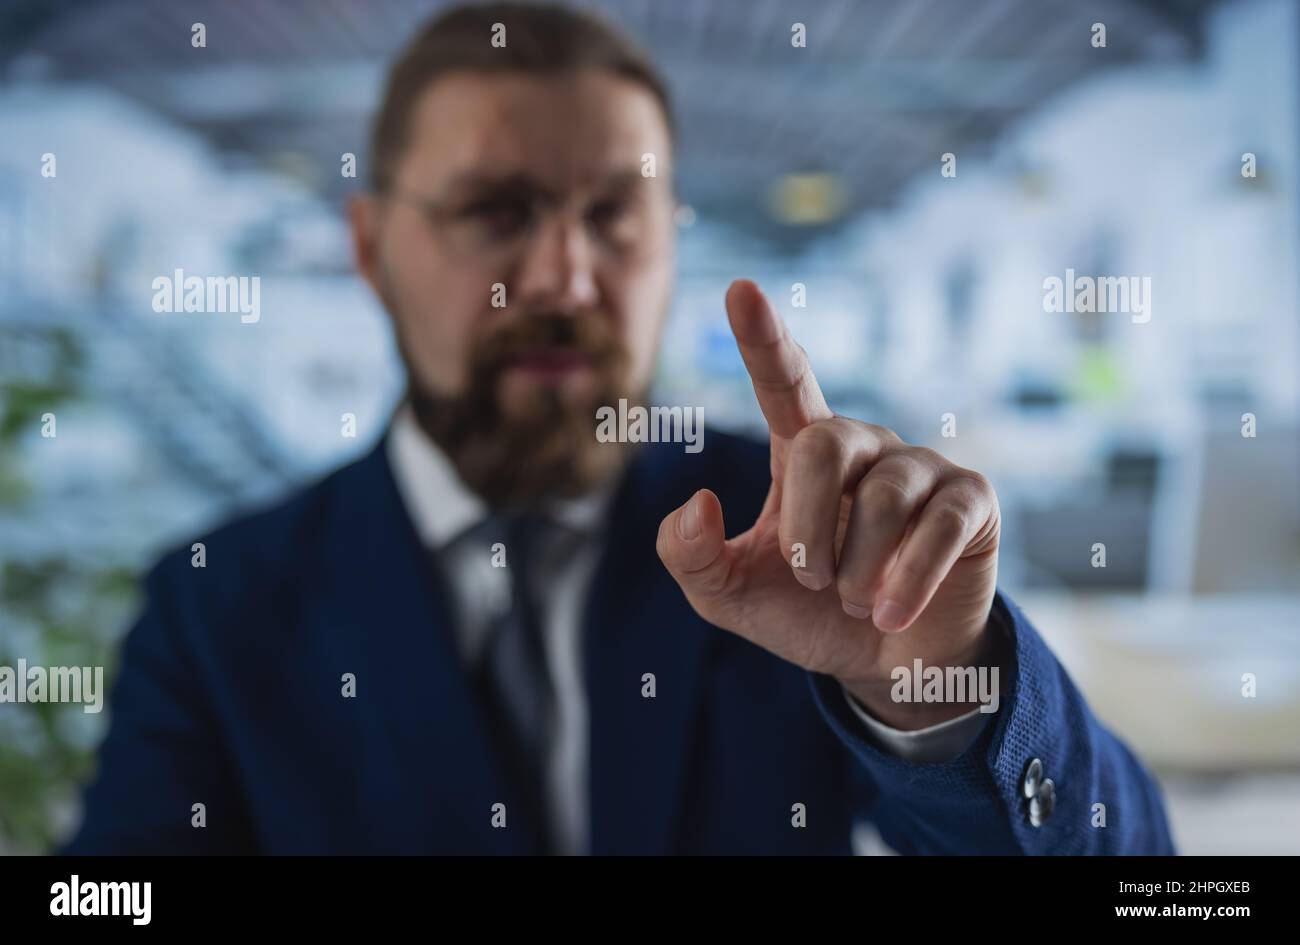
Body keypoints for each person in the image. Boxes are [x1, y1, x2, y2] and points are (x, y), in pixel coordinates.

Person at [65, 2, 1174, 855]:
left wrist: (940, 693)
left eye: (615, 216)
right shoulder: (217, 606)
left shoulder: (811, 546)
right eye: (494, 212)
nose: (562, 276)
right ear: (369, 250)